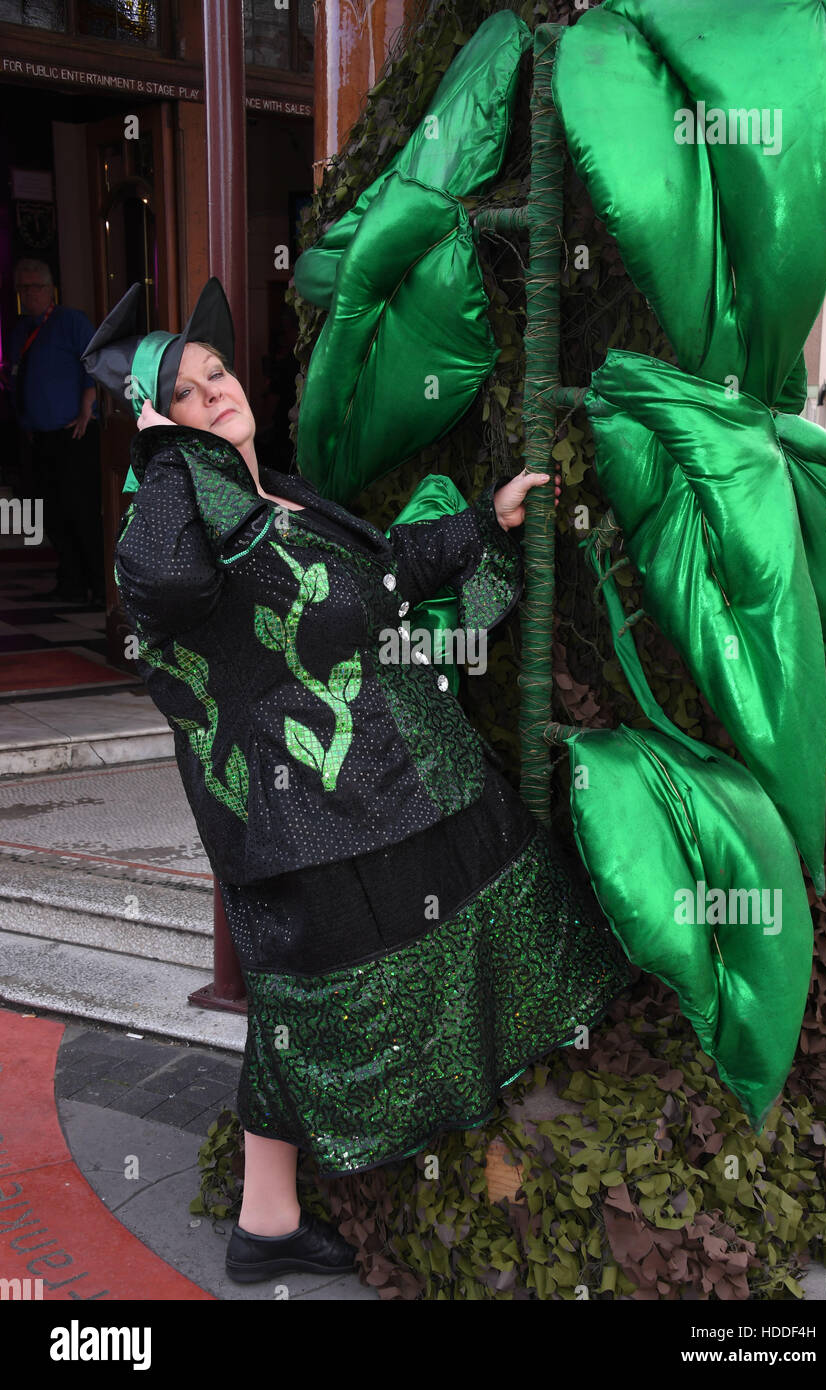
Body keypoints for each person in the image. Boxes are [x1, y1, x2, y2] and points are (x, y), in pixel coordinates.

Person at [82, 278, 633, 1286]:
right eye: (188, 395)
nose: (216, 393)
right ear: (162, 430)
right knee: (327, 1011)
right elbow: (162, 594)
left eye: (216, 375)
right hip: (324, 822)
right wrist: (165, 449)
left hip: (406, 778)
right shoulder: (171, 531)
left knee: (496, 920)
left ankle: (267, 1216)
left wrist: (484, 521)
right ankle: (300, 1208)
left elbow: (383, 577)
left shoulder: (275, 498)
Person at [9, 259, 104, 604]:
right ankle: (71, 580)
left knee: (80, 510)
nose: (28, 294)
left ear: (50, 290)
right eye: (22, 287)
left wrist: (86, 409)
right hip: (39, 436)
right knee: (49, 511)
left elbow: (94, 363)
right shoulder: (21, 329)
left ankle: (99, 583)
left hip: (73, 434)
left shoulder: (70, 321)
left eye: (34, 287)